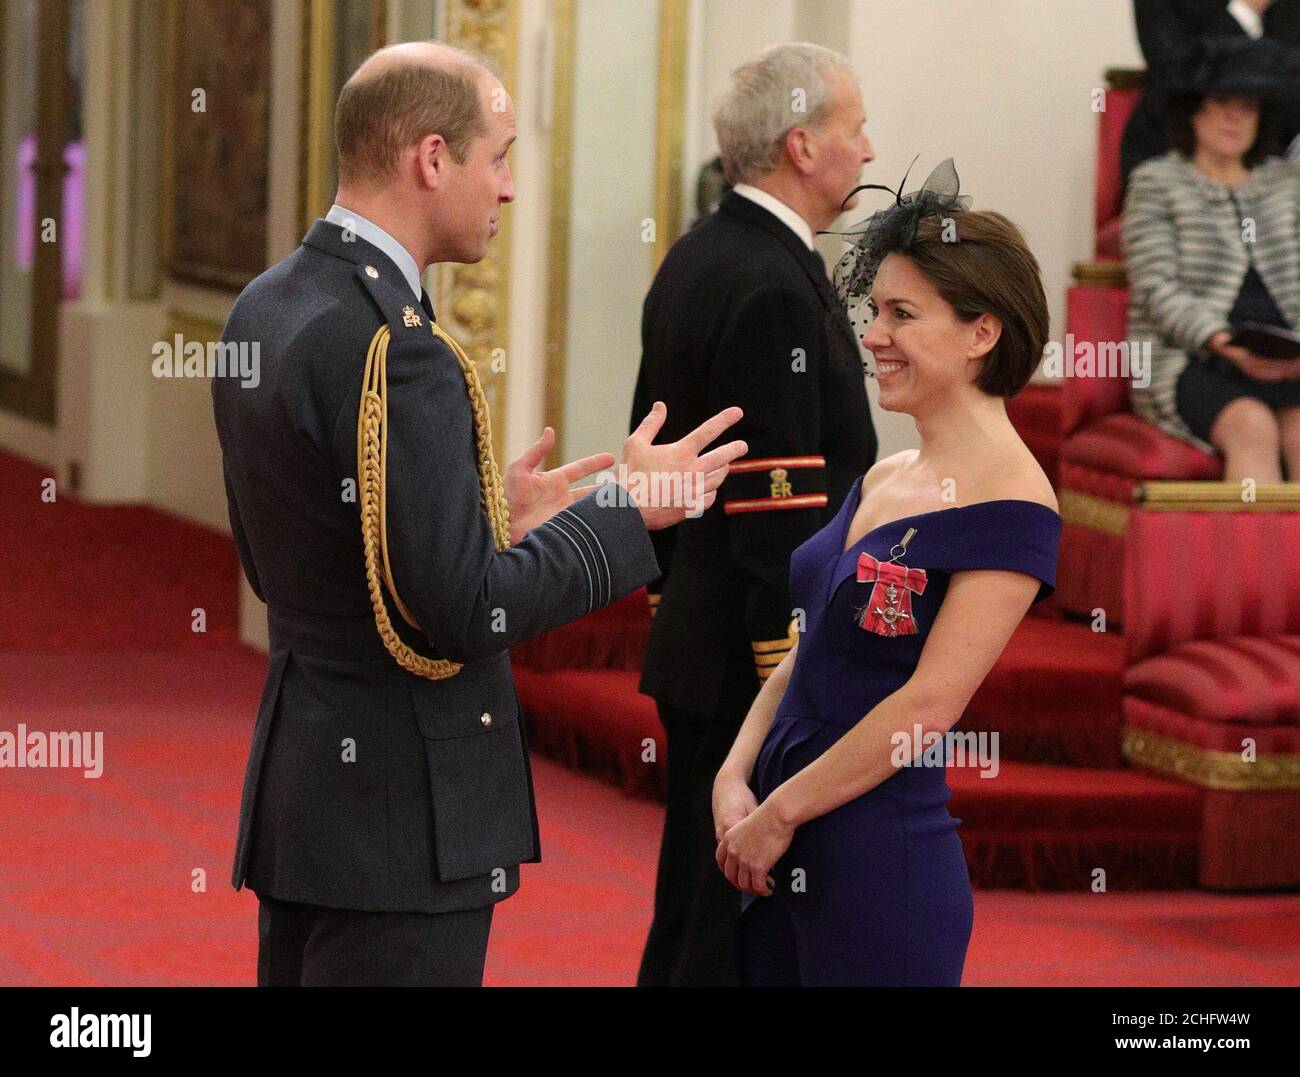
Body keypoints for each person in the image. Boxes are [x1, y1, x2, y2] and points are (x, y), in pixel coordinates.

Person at [212, 41, 747, 987]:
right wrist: (625, 512)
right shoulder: (400, 350)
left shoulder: (267, 303)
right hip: (404, 813)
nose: (507, 189)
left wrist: (483, 520)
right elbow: (463, 613)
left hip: (310, 794)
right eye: (497, 156)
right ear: (430, 159)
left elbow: (290, 560)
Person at [714, 160, 1061, 986]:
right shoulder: (882, 475)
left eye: (903, 314)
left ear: (983, 333)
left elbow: (929, 705)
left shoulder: (1017, 503)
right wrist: (734, 776)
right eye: (875, 310)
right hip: (775, 836)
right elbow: (809, 649)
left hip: (877, 865)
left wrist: (779, 810)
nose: (872, 335)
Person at [628, 42, 877, 987]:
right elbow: (778, 512)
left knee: (699, 905)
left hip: (701, 631)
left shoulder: (706, 249)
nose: (868, 147)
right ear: (803, 146)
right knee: (719, 926)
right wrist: (801, 675)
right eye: (854, 129)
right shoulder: (771, 281)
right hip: (746, 657)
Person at [1123, 36, 1300, 481]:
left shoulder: (1287, 183)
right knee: (1251, 425)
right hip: (1191, 355)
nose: (1235, 116)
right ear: (1193, 110)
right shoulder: (1157, 182)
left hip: (1286, 356)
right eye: (1223, 101)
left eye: (1249, 106)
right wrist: (1222, 341)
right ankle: (1260, 554)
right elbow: (1154, 288)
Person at [1120, 0, 1300, 187]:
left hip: (1276, 155)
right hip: (1171, 149)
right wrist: (1246, 10)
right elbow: (1172, 67)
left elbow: (1292, 76)